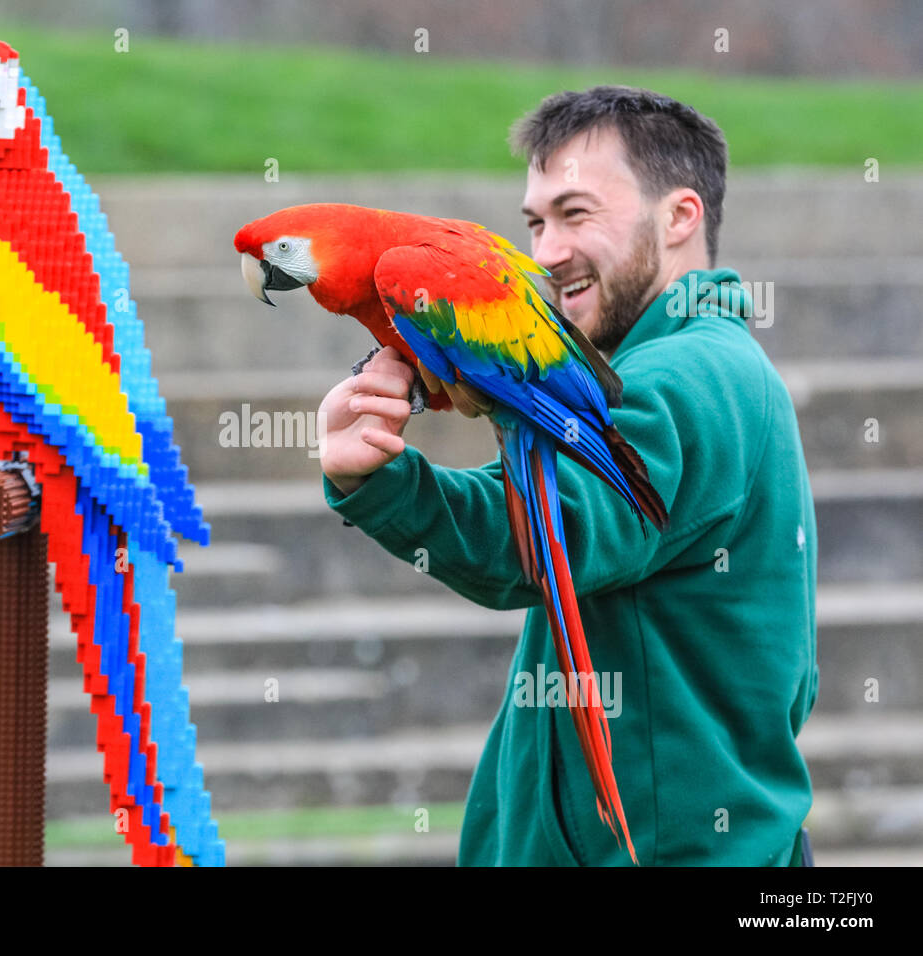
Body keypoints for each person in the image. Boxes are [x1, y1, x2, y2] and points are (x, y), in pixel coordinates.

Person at [317, 86, 818, 866]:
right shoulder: (720, 366)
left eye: (576, 214)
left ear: (679, 217)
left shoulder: (682, 377)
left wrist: (381, 484)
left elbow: (546, 537)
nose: (545, 253)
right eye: (535, 223)